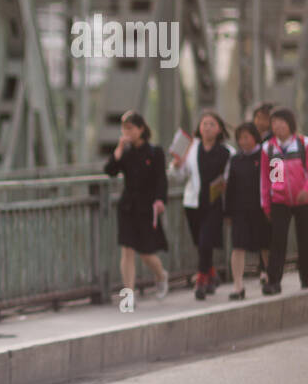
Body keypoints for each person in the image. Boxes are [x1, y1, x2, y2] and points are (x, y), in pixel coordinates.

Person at [104, 110, 170, 302]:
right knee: (127, 249)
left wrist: (160, 200)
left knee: (146, 253)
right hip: (128, 206)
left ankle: (161, 275)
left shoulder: (154, 152)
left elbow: (161, 179)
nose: (126, 132)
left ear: (141, 129)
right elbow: (110, 171)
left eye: (130, 128)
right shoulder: (125, 152)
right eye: (124, 128)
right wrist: (117, 151)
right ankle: (128, 295)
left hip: (147, 206)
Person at [171, 110, 235, 300]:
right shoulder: (190, 147)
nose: (207, 128)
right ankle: (211, 274)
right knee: (200, 243)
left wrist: (226, 185)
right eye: (204, 124)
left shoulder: (228, 152)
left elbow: (232, 177)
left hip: (215, 203)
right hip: (193, 202)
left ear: (219, 129)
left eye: (211, 124)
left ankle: (200, 280)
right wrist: (177, 165)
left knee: (206, 240)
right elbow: (179, 175)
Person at [260, 107, 308, 295]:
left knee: (305, 238)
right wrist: (267, 203)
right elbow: (268, 179)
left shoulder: (305, 143)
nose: (278, 126)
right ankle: (274, 281)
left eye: (281, 122)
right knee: (277, 241)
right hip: (280, 201)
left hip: (305, 200)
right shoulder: (269, 148)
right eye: (274, 123)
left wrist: (307, 189)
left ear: (290, 123)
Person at [224, 122, 263, 300]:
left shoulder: (269, 155)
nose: (243, 141)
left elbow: (277, 181)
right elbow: (230, 187)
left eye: (246, 137)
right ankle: (238, 285)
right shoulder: (235, 159)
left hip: (262, 208)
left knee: (265, 245)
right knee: (238, 246)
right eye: (240, 138)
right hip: (240, 209)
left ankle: (270, 277)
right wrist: (228, 212)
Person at [251, 102, 275, 282]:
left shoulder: (275, 143)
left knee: (270, 234)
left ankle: (271, 269)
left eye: (265, 118)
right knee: (260, 234)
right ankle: (264, 268)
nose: (261, 122)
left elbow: (278, 172)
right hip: (255, 195)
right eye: (258, 118)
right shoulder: (249, 141)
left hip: (272, 196)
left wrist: (278, 190)